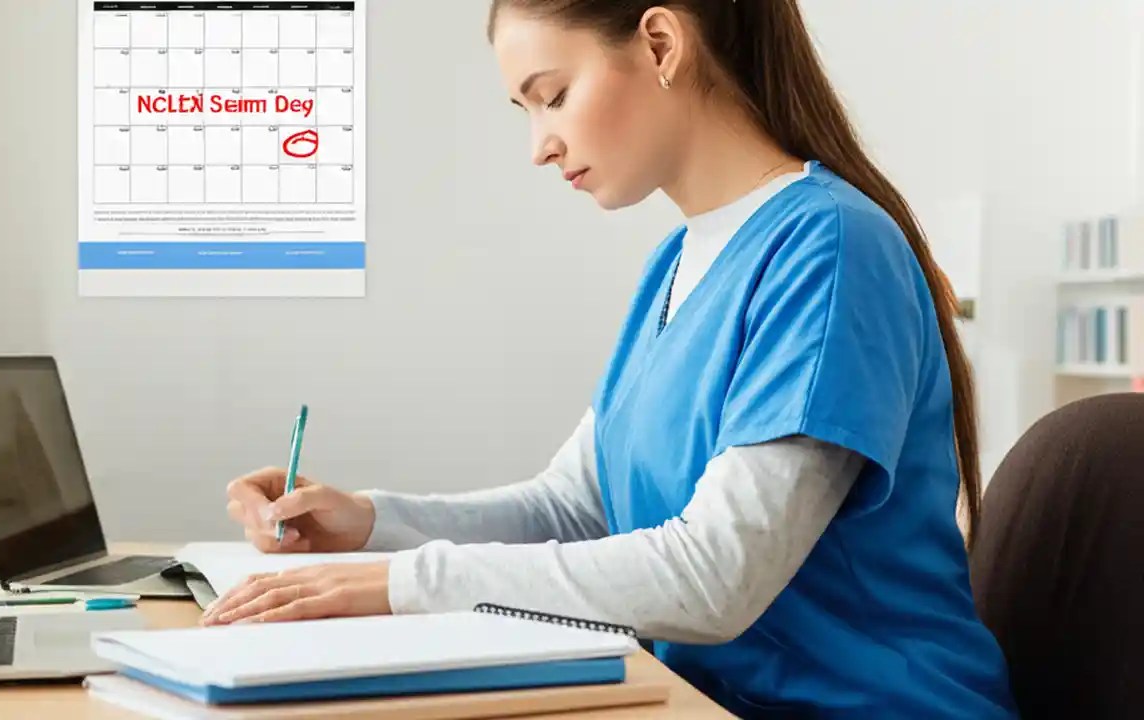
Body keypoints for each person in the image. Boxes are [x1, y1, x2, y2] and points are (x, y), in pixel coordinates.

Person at [204, 1, 1018, 716]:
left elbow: (714, 578)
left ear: (662, 45)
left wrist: (401, 585)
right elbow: (573, 507)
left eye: (553, 97)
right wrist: (373, 525)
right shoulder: (676, 265)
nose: (540, 145)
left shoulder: (831, 249)